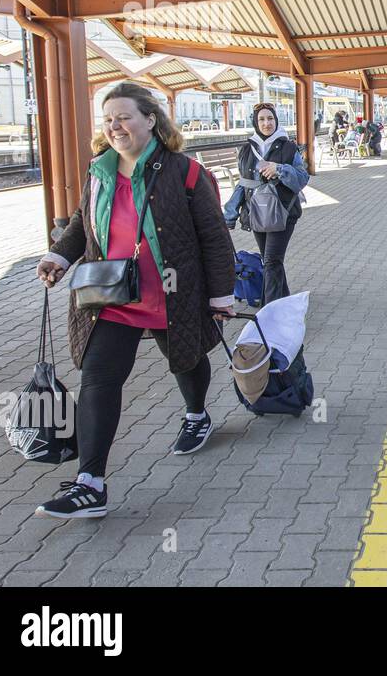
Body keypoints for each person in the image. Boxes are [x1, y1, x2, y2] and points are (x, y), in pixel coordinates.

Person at [34, 82, 236, 519]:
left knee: (184, 360)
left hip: (171, 293)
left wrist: (221, 296)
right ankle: (91, 483)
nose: (115, 126)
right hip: (112, 295)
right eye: (108, 119)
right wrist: (57, 256)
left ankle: (197, 414)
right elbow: (80, 227)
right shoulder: (99, 171)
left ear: (150, 119)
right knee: (98, 379)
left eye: (124, 116)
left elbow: (216, 240)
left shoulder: (186, 173)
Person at [223, 103, 310, 305]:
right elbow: (243, 184)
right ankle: (285, 300)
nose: (266, 123)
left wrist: (279, 169)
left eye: (270, 118)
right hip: (257, 213)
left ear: (276, 120)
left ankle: (269, 310)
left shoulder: (288, 147)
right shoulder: (247, 149)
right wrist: (229, 214)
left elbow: (302, 178)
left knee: (271, 261)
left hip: (283, 212)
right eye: (261, 119)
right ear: (255, 122)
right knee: (271, 261)